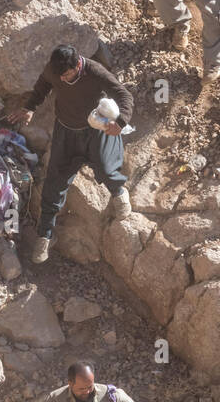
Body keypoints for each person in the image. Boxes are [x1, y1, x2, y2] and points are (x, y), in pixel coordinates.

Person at [9, 44, 133, 262]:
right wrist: (30, 107)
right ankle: (46, 234)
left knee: (105, 168)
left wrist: (121, 122)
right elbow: (42, 87)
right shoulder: (54, 70)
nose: (63, 80)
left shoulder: (94, 71)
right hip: (66, 132)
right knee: (54, 181)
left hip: (96, 130)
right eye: (61, 77)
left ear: (77, 64)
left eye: (67, 75)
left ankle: (119, 192)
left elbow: (123, 94)